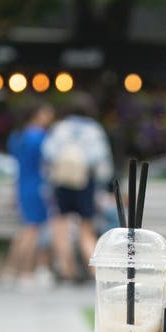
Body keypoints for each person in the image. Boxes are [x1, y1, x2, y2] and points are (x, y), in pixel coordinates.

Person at [42, 92, 114, 281]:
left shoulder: (59, 128)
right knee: (86, 229)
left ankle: (67, 269)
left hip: (62, 182)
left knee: (60, 226)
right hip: (85, 183)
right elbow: (101, 162)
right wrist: (102, 187)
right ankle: (95, 273)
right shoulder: (94, 130)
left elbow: (48, 154)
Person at [1, 100, 55, 289]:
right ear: (37, 114)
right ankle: (24, 272)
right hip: (38, 186)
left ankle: (11, 271)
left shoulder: (17, 136)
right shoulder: (40, 138)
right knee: (32, 231)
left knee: (26, 230)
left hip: (23, 185)